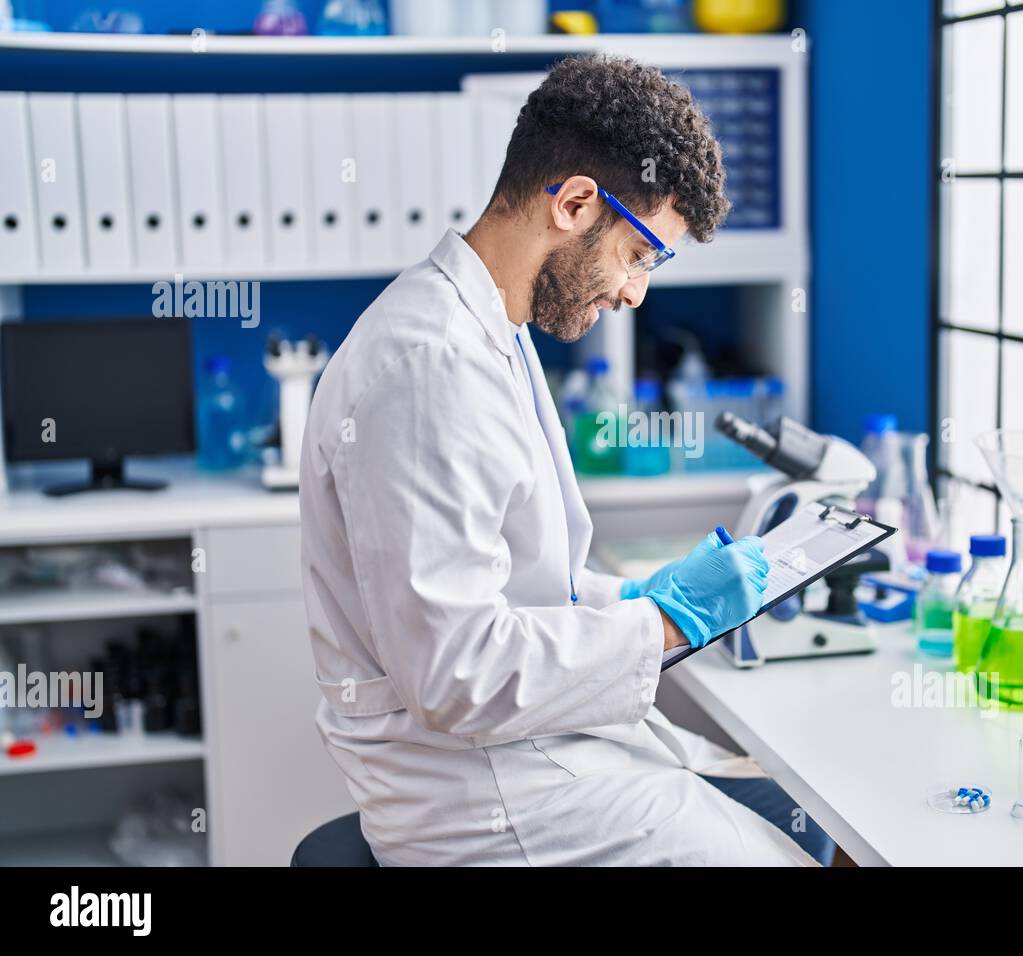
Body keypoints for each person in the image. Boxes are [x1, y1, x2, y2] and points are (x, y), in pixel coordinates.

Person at [300, 54, 833, 866]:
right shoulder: (429, 364)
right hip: (483, 801)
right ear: (576, 202)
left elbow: (516, 584)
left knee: (801, 817)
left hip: (537, 755)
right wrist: (661, 622)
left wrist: (642, 598)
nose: (635, 293)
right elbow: (456, 674)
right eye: (641, 254)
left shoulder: (490, 326)